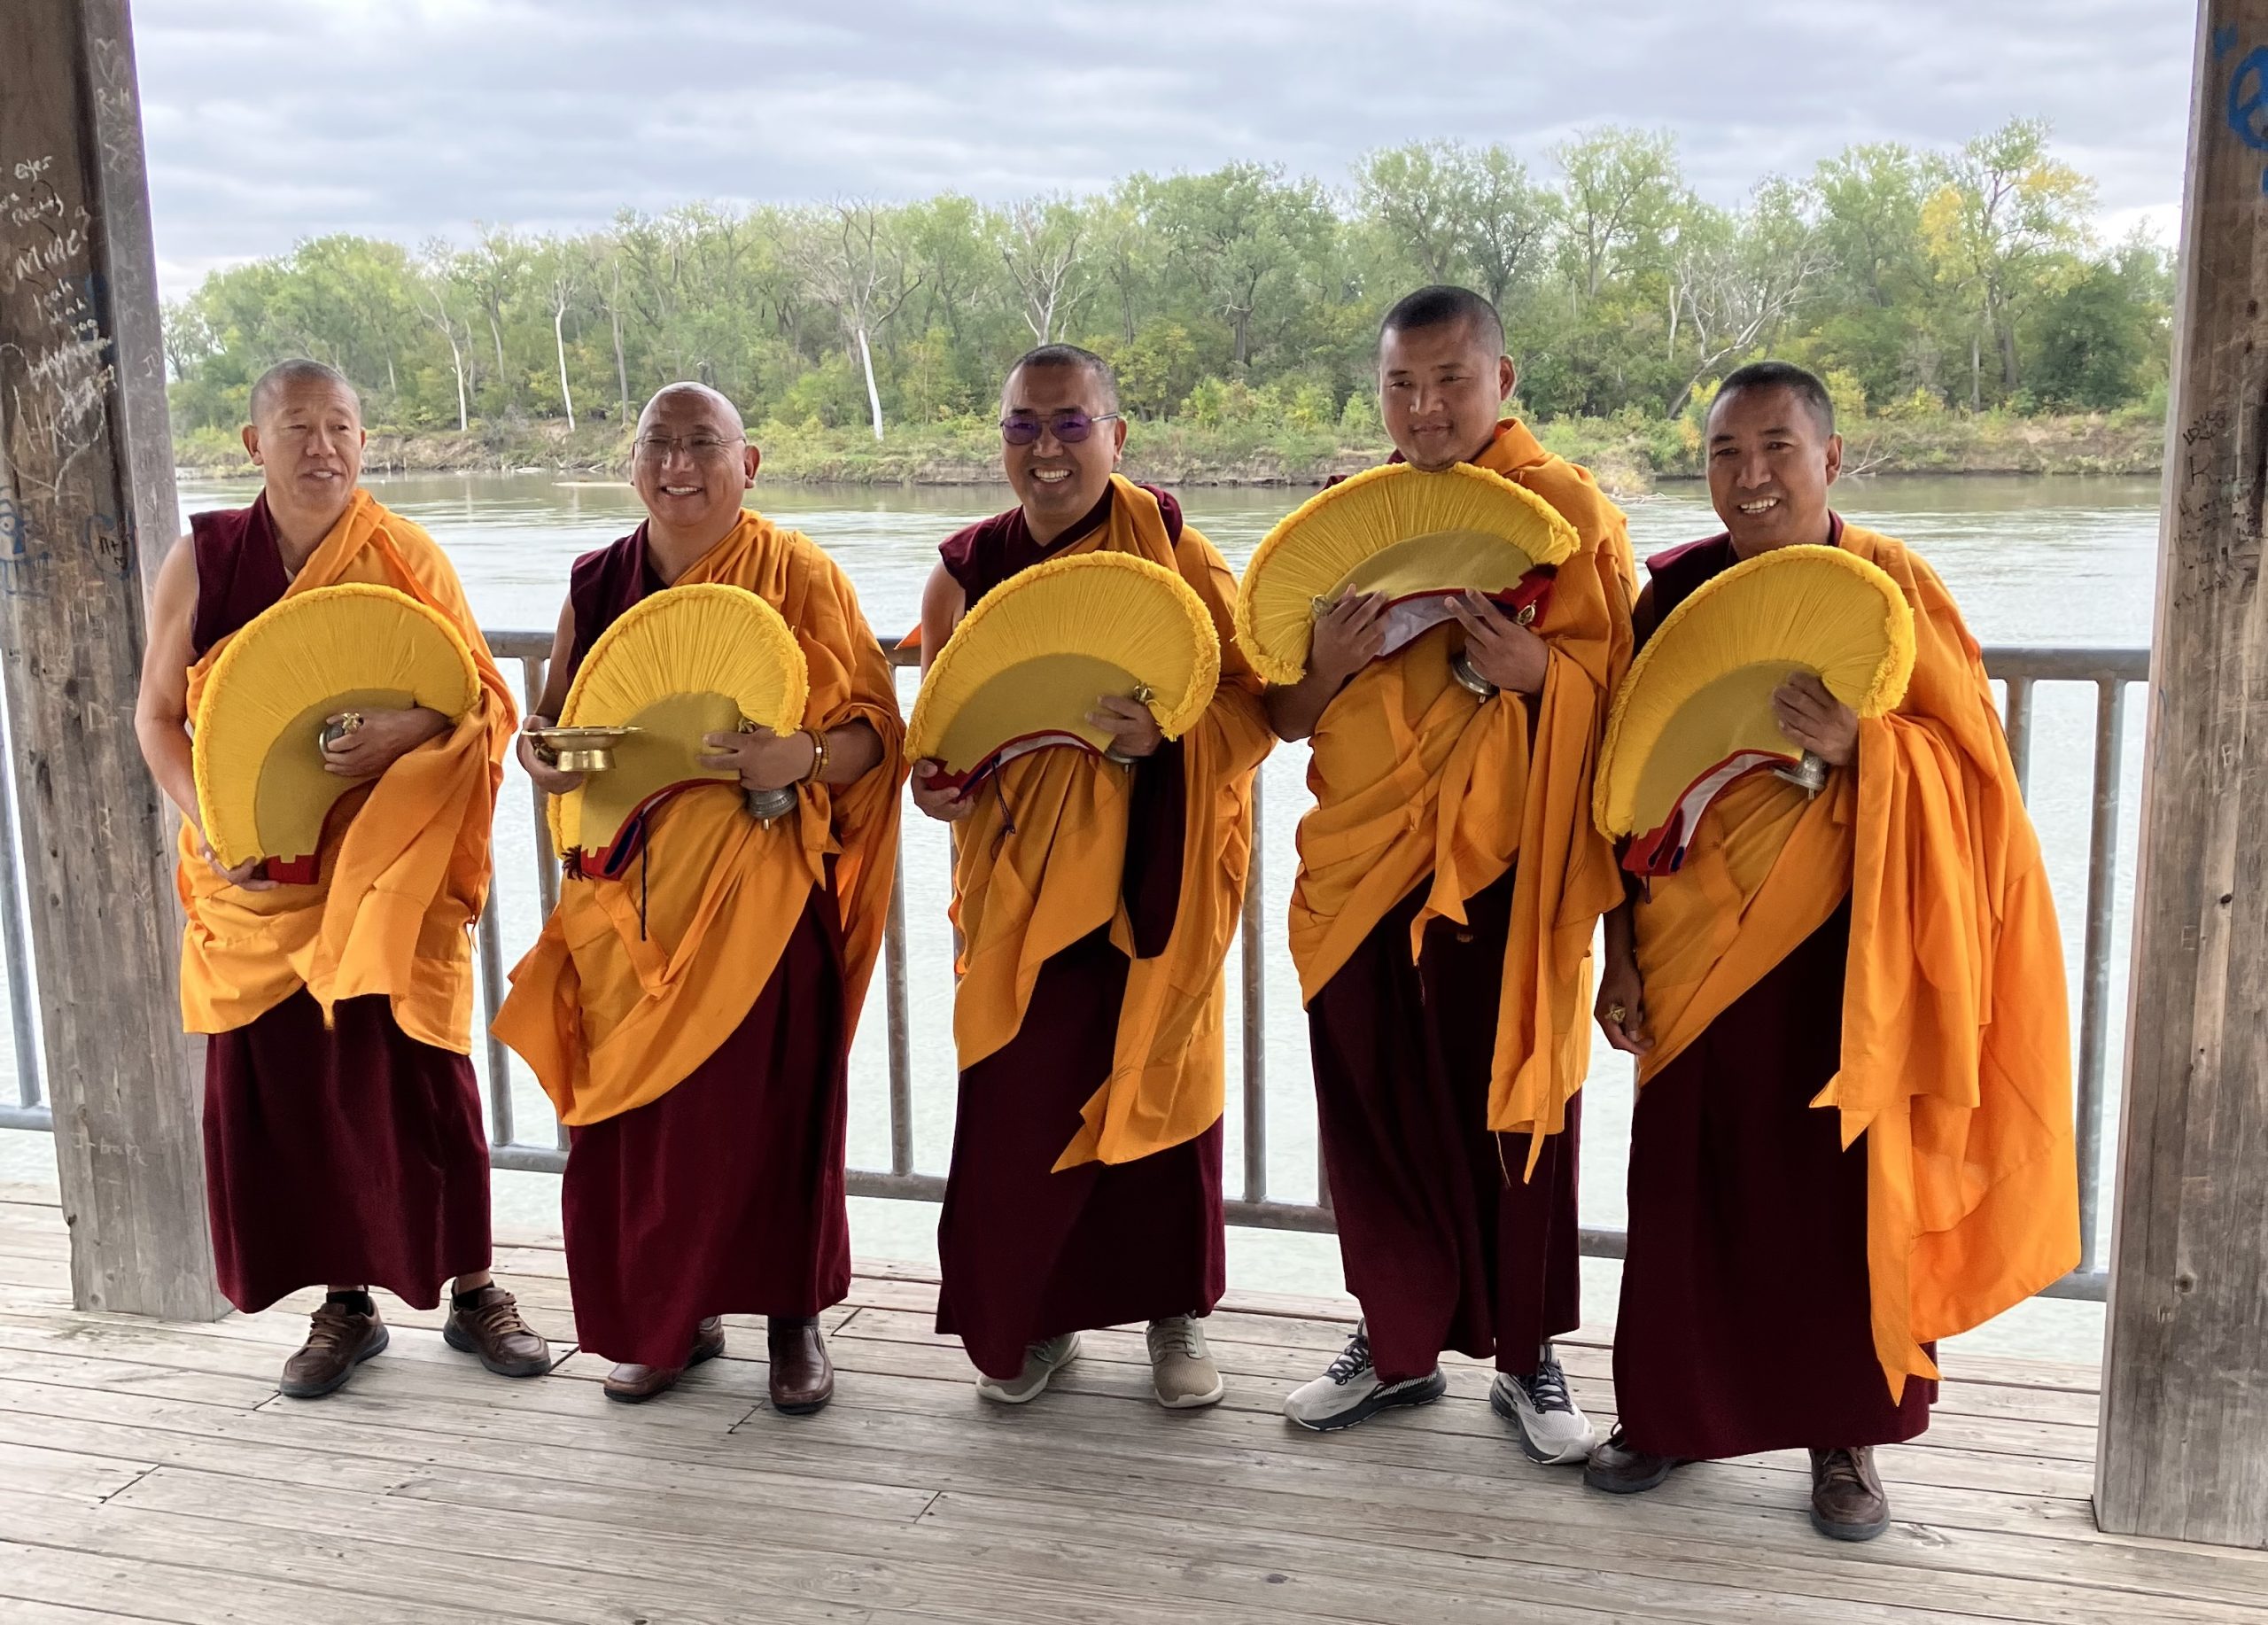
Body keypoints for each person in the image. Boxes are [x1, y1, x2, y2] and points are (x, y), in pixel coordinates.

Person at [1586, 361, 2078, 1540]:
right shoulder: (1668, 599)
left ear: (1831, 458)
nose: (1750, 478)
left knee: (1839, 1203)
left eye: (1776, 450)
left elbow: (1978, 786)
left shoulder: (1892, 589)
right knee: (1685, 1196)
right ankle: (1670, 1414)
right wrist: (1620, 955)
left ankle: (1844, 1441)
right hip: (1693, 948)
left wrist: (1867, 746)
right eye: (1724, 453)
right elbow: (1616, 797)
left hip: (1848, 958)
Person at [1269, 288, 1634, 1462]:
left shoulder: (1568, 512)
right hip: (1360, 859)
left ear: (1503, 380)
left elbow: (1634, 709)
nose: (1424, 410)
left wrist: (1542, 673)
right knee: (1374, 1109)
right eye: (1399, 385)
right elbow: (1278, 710)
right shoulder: (1346, 516)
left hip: (1505, 863)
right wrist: (1323, 667)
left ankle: (1526, 1353)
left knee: (1510, 1108)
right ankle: (1394, 1337)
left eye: (1450, 382)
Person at [134, 359, 545, 1398]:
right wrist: (215, 822)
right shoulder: (207, 557)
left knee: (423, 1089)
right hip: (261, 881)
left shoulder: (404, 555)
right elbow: (158, 719)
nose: (322, 448)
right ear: (252, 444)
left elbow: (480, 706)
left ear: (365, 442)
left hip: (386, 879)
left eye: (342, 429)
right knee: (303, 1099)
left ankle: (475, 1292)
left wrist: (408, 729)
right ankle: (344, 1307)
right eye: (299, 428)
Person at [495, 384, 903, 1409]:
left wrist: (798, 752)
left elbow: (873, 733)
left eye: (701, 445)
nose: (679, 465)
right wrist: (540, 757)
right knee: (645, 1130)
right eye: (658, 445)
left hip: (760, 893)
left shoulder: (798, 573)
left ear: (748, 462)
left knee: (775, 1121)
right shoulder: (597, 582)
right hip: (628, 902)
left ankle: (794, 1322)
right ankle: (672, 1323)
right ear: (631, 463)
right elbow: (550, 723)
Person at [911, 345, 1272, 1408]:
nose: (1048, 449)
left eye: (1072, 424)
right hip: (1020, 885)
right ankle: (1040, 1320)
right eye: (1024, 426)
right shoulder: (964, 571)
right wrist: (935, 790)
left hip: (1151, 878)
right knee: (1024, 1107)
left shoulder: (1177, 555)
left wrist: (1171, 737)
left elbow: (1259, 709)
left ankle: (1173, 1320)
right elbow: (939, 738)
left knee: (1158, 1091)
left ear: (1118, 436)